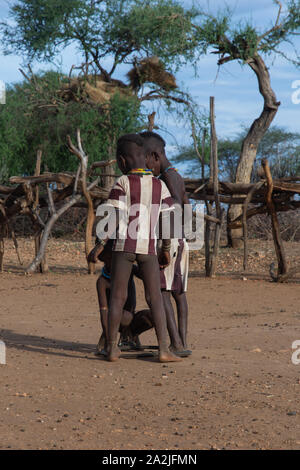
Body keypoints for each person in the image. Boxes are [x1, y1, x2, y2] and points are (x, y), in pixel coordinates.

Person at [88, 133, 181, 363]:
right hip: (149, 248)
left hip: (123, 246)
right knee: (155, 297)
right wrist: (166, 248)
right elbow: (168, 221)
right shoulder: (160, 185)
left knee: (118, 297)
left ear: (121, 161)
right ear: (144, 156)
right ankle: (163, 350)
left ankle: (111, 349)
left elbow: (112, 216)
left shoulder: (122, 183)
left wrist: (99, 245)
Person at [140, 131, 191, 354]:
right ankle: (182, 342)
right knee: (179, 294)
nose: (146, 168)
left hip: (169, 242)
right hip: (181, 241)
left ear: (155, 156)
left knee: (162, 292)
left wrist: (165, 245)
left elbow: (175, 208)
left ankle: (177, 344)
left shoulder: (165, 180)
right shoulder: (176, 176)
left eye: (146, 163)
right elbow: (187, 208)